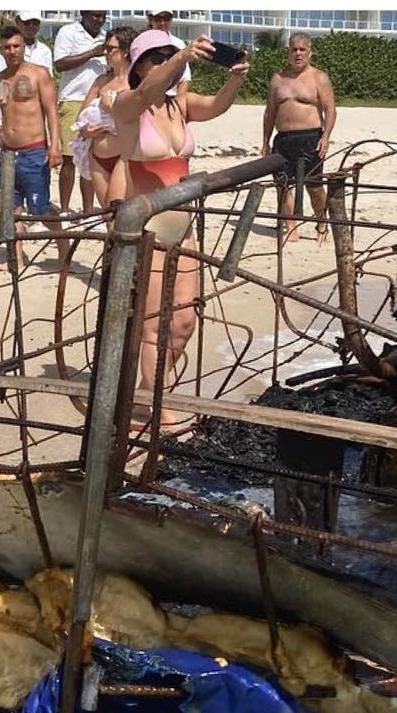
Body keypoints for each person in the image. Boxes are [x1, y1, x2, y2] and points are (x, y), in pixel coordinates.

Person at [111, 30, 247, 429]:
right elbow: (146, 91)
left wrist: (235, 77)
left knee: (185, 321)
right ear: (138, 65)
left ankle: (145, 392)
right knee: (154, 325)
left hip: (182, 228)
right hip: (149, 229)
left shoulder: (179, 105)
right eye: (155, 57)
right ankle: (156, 408)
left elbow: (217, 106)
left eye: (169, 55)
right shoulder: (125, 105)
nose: (164, 63)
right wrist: (183, 54)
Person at [0, 25, 66, 265]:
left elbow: (51, 112)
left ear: (23, 47)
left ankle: (63, 244)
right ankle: (16, 257)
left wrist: (55, 146)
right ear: (1, 50)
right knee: (11, 207)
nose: (11, 51)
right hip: (8, 153)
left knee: (40, 208)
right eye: (6, 47)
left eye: (16, 46)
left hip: (34, 150)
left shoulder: (39, 74)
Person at [261, 32, 337, 241]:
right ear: (288, 51)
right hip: (283, 139)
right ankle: (291, 226)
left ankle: (321, 222)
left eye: (302, 49)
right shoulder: (278, 79)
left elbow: (330, 109)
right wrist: (265, 141)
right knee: (283, 185)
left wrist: (326, 136)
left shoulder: (319, 77)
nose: (298, 53)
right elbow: (270, 112)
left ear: (310, 52)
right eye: (294, 49)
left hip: (311, 138)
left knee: (314, 186)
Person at [52, 10, 108, 212]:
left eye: (103, 16)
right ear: (83, 14)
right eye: (95, 16)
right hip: (73, 99)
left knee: (91, 159)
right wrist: (92, 53)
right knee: (69, 159)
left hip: (98, 103)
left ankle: (88, 211)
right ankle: (65, 210)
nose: (99, 20)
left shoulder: (106, 37)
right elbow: (60, 64)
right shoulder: (68, 32)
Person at [76, 25, 136, 210]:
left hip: (123, 156)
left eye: (110, 49)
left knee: (119, 211)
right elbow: (81, 116)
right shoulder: (101, 81)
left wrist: (110, 108)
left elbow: (136, 122)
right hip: (97, 157)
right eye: (105, 48)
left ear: (126, 52)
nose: (106, 53)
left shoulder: (135, 83)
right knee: (106, 213)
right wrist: (85, 130)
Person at [0, 11, 55, 145]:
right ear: (18, 22)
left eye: (35, 23)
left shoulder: (44, 51)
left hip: (36, 121)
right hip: (10, 118)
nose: (31, 26)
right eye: (27, 23)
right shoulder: (5, 49)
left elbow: (48, 89)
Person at [145, 10, 192, 95]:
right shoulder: (142, 42)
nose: (162, 23)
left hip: (171, 99)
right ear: (151, 20)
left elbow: (185, 79)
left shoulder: (179, 43)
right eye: (158, 19)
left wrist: (178, 103)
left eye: (166, 18)